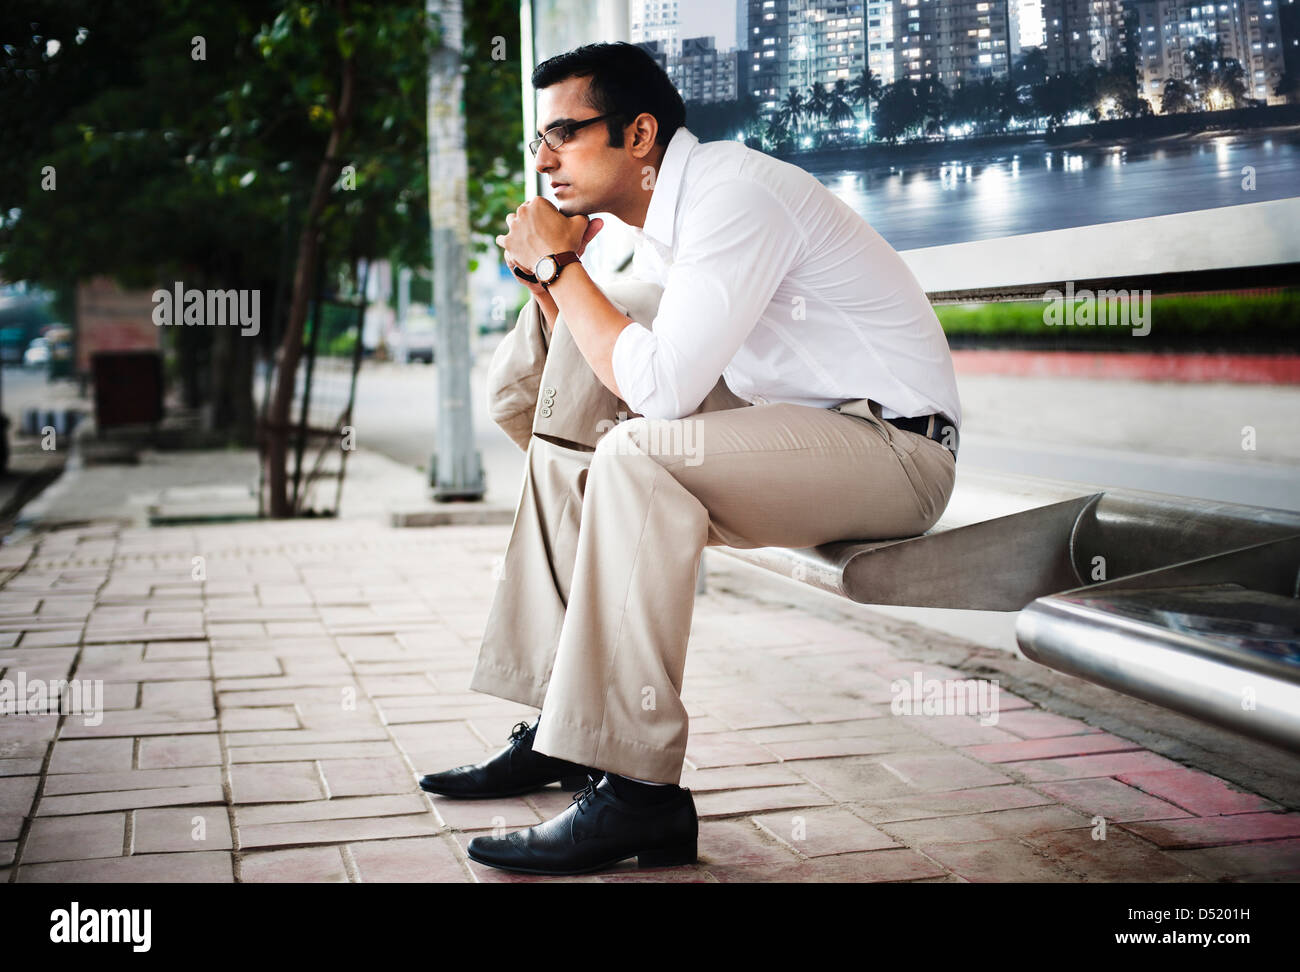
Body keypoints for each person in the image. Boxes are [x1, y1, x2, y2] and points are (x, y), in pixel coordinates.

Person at [418, 41, 961, 876]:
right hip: (795, 426)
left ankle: (638, 790)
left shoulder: (730, 196)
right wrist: (554, 290)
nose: (545, 158)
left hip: (893, 449)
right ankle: (565, 722)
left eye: (565, 132)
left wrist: (562, 265)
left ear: (639, 135)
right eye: (539, 140)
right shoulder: (658, 224)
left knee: (639, 452)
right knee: (563, 365)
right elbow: (606, 369)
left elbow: (663, 391)